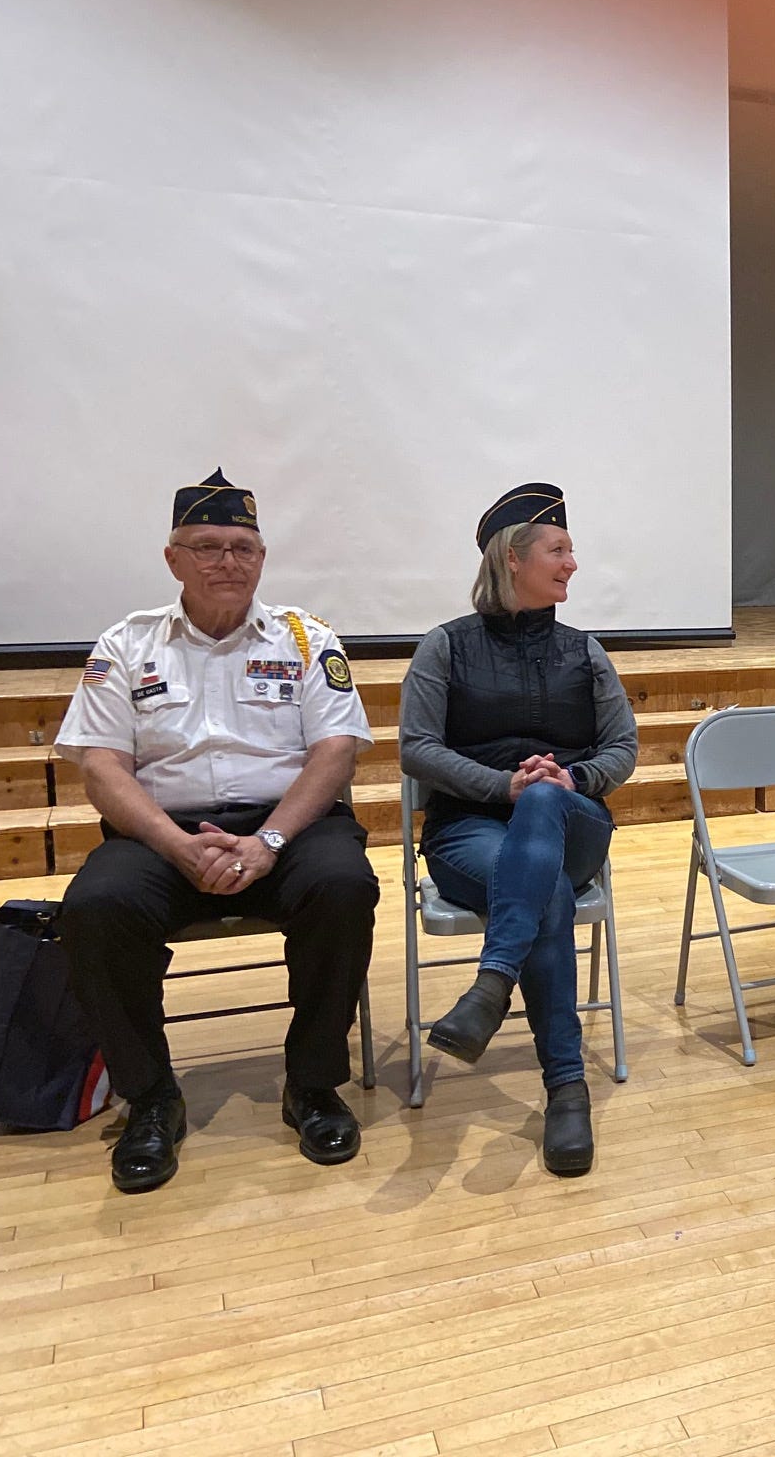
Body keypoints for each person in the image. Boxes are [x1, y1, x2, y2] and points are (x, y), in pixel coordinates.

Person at [56, 471, 379, 1194]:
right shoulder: (126, 643)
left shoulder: (306, 637)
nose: (228, 562)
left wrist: (268, 843)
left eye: (243, 548)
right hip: (160, 834)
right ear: (173, 558)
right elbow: (101, 767)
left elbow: (335, 752)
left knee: (344, 885)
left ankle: (313, 1084)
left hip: (287, 828)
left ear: (262, 558)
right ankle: (151, 1098)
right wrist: (175, 844)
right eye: (207, 547)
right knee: (94, 908)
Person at [398, 483, 637, 1176]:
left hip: (572, 819)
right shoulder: (446, 647)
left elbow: (623, 749)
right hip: (468, 829)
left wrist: (571, 779)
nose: (572, 564)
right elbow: (416, 749)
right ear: (512, 558)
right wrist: (501, 785)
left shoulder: (584, 651)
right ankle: (567, 1088)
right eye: (558, 550)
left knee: (542, 807)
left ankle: (491, 983)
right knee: (547, 893)